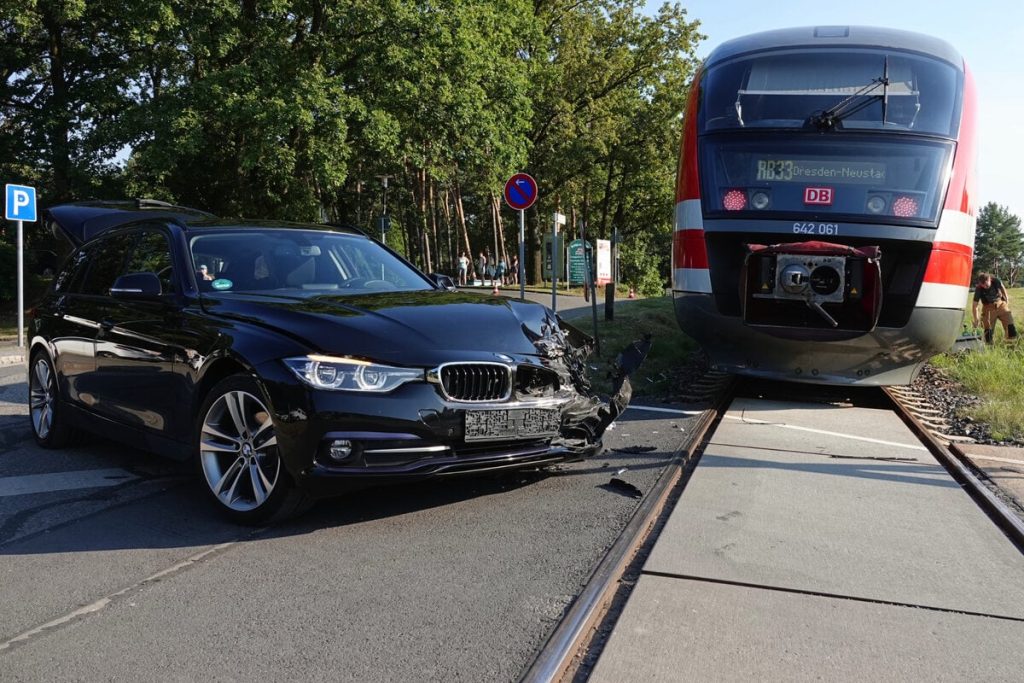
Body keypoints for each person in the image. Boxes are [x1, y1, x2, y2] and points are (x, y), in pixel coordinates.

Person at [972, 272, 1018, 344]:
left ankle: (1011, 344)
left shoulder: (996, 281)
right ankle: (989, 347)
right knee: (988, 331)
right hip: (988, 308)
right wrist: (976, 319)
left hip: (1001, 305)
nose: (984, 287)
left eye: (986, 285)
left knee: (1010, 326)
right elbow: (975, 305)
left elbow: (1002, 288)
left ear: (990, 279)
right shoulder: (979, 288)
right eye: (982, 285)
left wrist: (1006, 300)